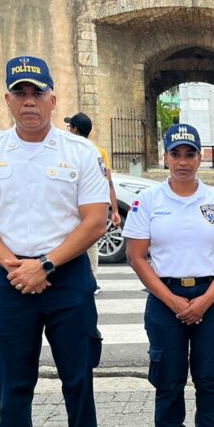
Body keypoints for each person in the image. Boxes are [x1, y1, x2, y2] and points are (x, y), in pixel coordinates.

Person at [0, 56, 112, 427]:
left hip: (66, 279)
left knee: (78, 378)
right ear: (8, 99)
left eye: (37, 93)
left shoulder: (79, 153)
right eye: (20, 93)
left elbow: (95, 220)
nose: (30, 102)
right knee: (11, 379)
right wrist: (16, 266)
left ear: (53, 99)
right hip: (10, 280)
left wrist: (44, 265)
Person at [123, 123, 214, 427]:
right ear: (165, 156)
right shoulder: (149, 201)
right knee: (169, 380)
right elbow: (137, 256)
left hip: (211, 298)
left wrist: (205, 301)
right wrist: (173, 300)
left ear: (200, 157)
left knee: (209, 379)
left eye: (190, 154)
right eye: (176, 154)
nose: (183, 162)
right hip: (165, 299)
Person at [64, 112, 120, 294]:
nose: (68, 130)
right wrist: (115, 210)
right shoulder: (99, 151)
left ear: (75, 130)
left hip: (76, 206)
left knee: (77, 242)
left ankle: (87, 280)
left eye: (69, 127)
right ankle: (92, 279)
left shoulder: (68, 151)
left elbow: (107, 181)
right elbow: (108, 182)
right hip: (91, 205)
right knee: (90, 243)